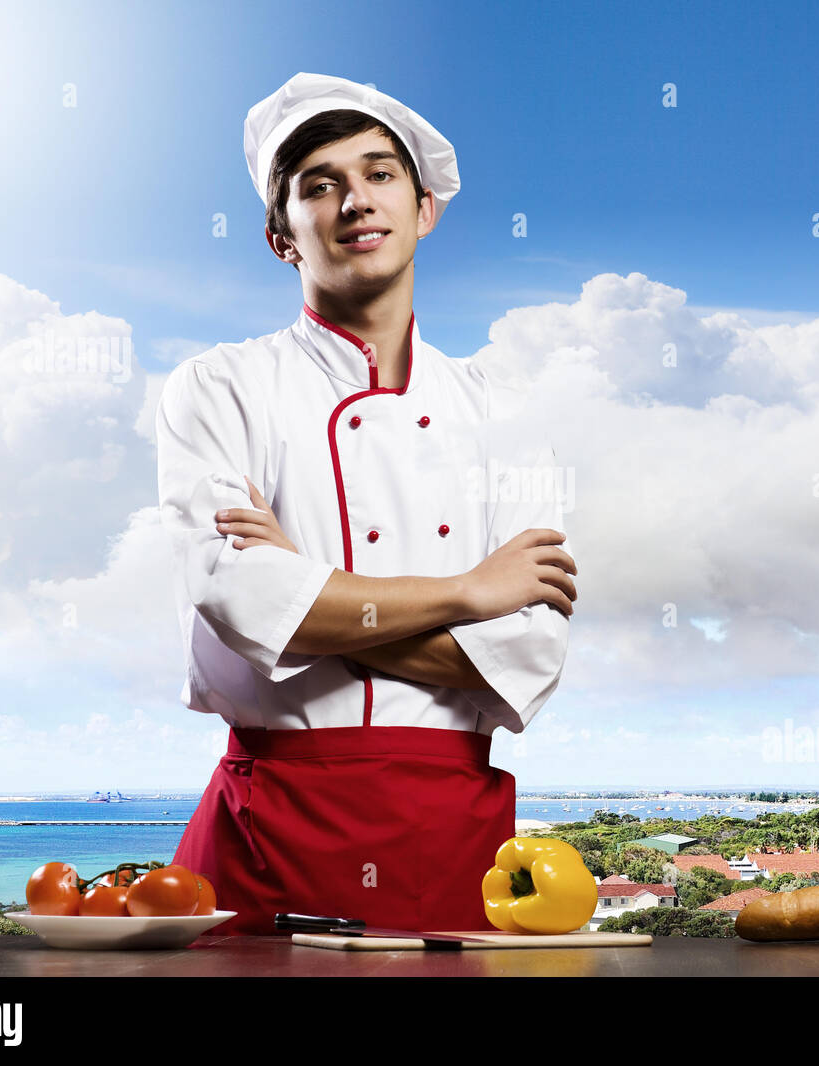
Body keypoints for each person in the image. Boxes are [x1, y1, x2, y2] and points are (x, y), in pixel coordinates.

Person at [155, 73, 577, 935]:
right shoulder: (219, 387)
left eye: (380, 174)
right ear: (282, 237)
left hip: (455, 836)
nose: (355, 201)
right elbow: (240, 601)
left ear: (425, 210)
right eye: (319, 185)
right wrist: (470, 592)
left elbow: (528, 653)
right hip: (265, 832)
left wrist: (312, 599)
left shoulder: (509, 410)